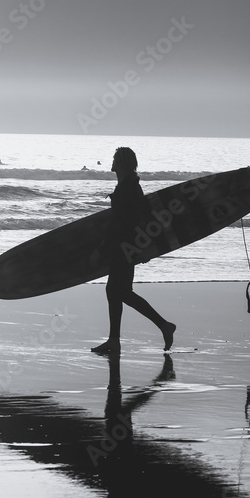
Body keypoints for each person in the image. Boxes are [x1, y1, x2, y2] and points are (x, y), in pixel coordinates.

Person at [90, 147, 176, 354]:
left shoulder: (128, 189)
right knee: (120, 292)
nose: (111, 161)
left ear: (121, 163)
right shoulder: (130, 186)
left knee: (117, 291)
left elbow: (119, 224)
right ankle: (119, 338)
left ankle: (159, 326)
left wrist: (101, 249)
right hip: (129, 245)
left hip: (124, 246)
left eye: (114, 159)